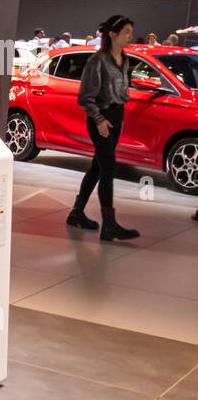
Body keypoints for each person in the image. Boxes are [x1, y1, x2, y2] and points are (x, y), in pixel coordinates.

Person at [67, 14, 141, 241]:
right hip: (102, 118)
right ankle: (109, 224)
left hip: (117, 116)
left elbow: (121, 92)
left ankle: (77, 212)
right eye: (126, 32)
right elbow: (85, 97)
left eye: (131, 31)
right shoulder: (97, 61)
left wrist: (125, 96)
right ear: (112, 34)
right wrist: (99, 120)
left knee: (97, 167)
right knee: (108, 167)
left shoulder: (125, 60)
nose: (130, 36)